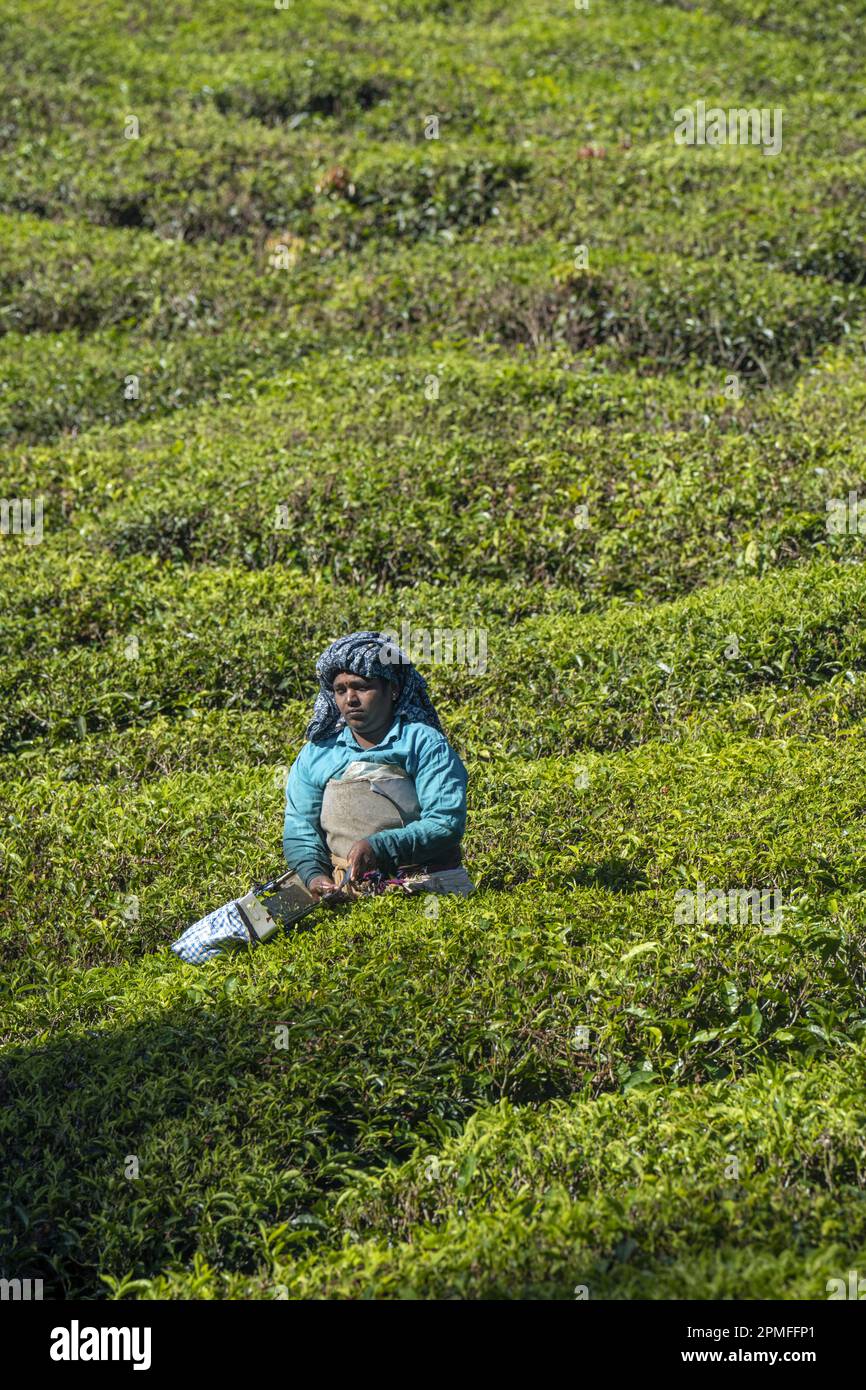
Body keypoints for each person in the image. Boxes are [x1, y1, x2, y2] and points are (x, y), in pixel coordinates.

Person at [282, 630, 474, 900]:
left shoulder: (424, 743)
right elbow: (300, 826)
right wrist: (314, 874)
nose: (350, 699)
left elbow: (445, 823)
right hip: (344, 889)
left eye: (362, 687)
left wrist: (379, 847)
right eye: (340, 690)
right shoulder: (318, 754)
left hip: (424, 883)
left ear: (393, 689)